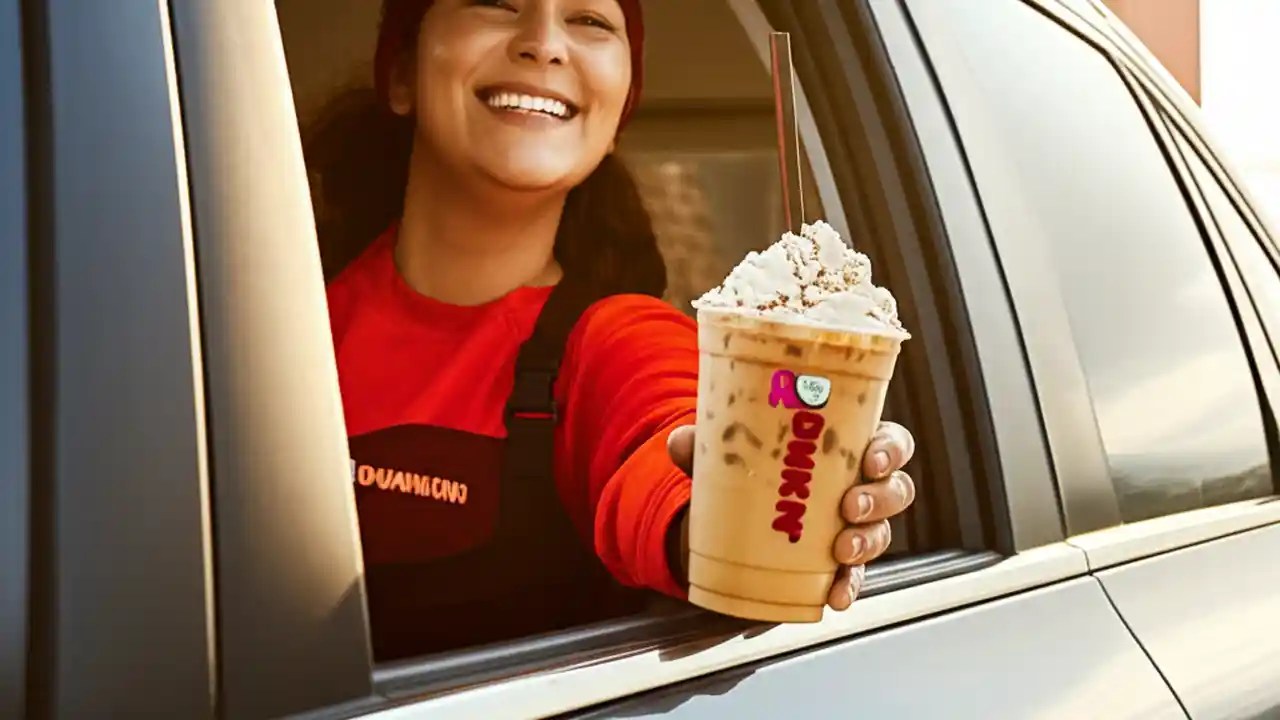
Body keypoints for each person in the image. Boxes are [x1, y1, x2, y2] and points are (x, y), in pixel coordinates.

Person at [319, 0, 919, 662]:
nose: (544, 44)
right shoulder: (254, 323)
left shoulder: (619, 341)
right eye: (496, 2)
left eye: (590, 22)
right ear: (401, 71)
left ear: (616, 117)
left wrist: (748, 507)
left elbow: (667, 453)